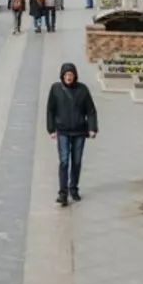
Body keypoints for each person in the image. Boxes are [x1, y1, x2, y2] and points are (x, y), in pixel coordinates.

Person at [46, 63, 98, 206]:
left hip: (79, 131)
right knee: (64, 161)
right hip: (62, 131)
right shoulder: (56, 89)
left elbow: (91, 110)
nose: (68, 77)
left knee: (76, 161)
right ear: (62, 76)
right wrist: (51, 129)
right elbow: (50, 110)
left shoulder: (83, 90)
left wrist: (92, 128)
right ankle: (62, 193)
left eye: (71, 74)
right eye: (66, 75)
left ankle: (73, 188)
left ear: (75, 75)